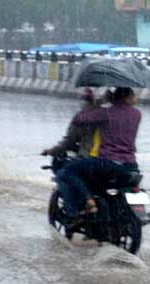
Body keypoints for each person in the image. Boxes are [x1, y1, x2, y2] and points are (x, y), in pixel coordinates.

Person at [55, 86, 141, 219]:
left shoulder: (106, 112)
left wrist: (98, 104)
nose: (136, 99)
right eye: (134, 96)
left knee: (67, 170)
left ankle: (88, 200)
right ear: (128, 97)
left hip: (107, 163)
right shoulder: (137, 114)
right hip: (130, 165)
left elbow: (79, 119)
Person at [43, 88, 103, 159]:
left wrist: (51, 151)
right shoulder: (107, 115)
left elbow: (69, 141)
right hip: (109, 158)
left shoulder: (80, 118)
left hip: (87, 156)